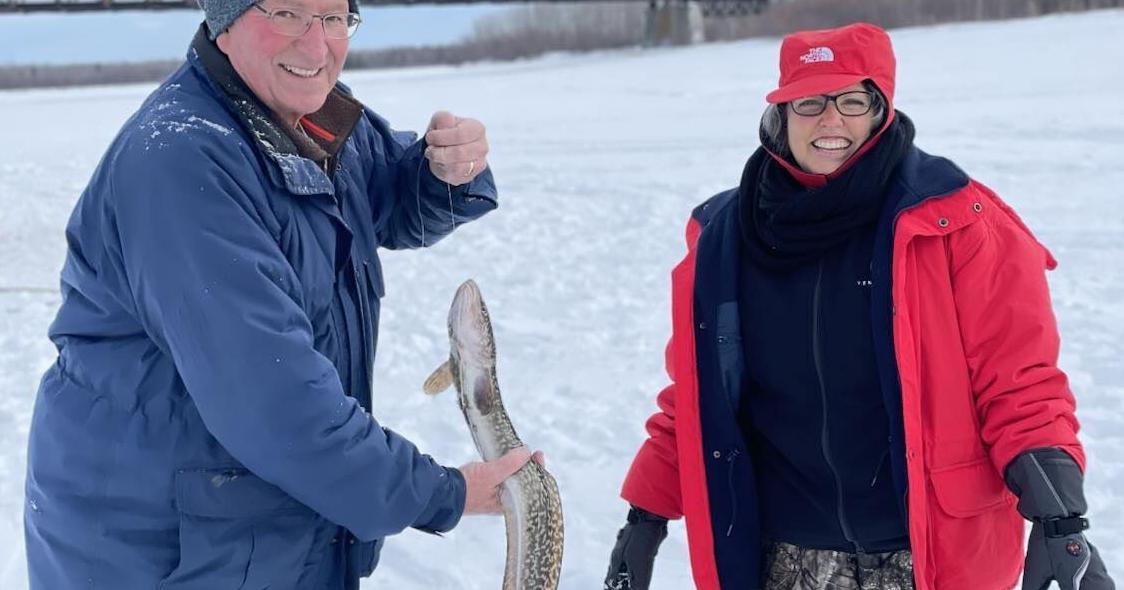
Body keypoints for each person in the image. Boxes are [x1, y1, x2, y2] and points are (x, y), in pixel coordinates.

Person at [23, 1, 537, 588]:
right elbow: (277, 406)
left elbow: (387, 197)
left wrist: (443, 174)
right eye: (289, 13)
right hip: (161, 551)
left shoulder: (307, 117)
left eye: (335, 17)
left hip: (262, 532)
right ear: (225, 20)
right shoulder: (182, 161)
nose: (317, 48)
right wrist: (443, 493)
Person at [604, 22, 1115, 590]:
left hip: (927, 555)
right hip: (783, 558)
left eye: (852, 100)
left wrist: (1059, 516)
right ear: (780, 114)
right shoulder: (724, 237)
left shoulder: (956, 222)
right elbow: (696, 398)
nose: (830, 121)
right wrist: (645, 515)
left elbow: (1018, 384)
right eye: (809, 102)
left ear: (883, 109)